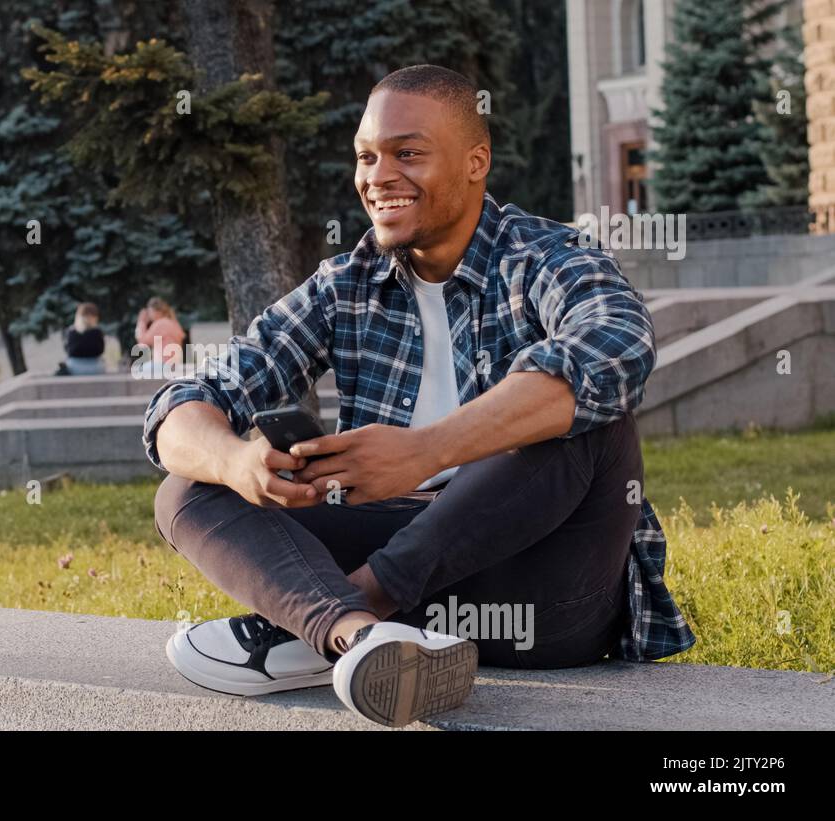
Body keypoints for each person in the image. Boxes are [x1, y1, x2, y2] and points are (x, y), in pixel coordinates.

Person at [144, 65, 694, 728]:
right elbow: (184, 399)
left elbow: (619, 346)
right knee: (186, 487)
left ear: (475, 161)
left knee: (589, 419)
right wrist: (235, 461)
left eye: (408, 153)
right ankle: (356, 635)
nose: (378, 175)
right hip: (415, 600)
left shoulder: (545, 255)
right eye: (366, 156)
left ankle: (328, 619)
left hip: (542, 600)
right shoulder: (346, 284)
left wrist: (425, 450)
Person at [133, 297, 186, 378]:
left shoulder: (160, 323)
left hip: (163, 364)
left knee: (137, 370)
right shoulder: (173, 323)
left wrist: (141, 321)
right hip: (174, 365)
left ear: (156, 311)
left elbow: (142, 341)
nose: (149, 315)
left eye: (150, 311)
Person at [58, 303, 106, 376]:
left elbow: (68, 350)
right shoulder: (97, 332)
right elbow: (101, 350)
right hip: (96, 367)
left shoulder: (71, 331)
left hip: (74, 367)